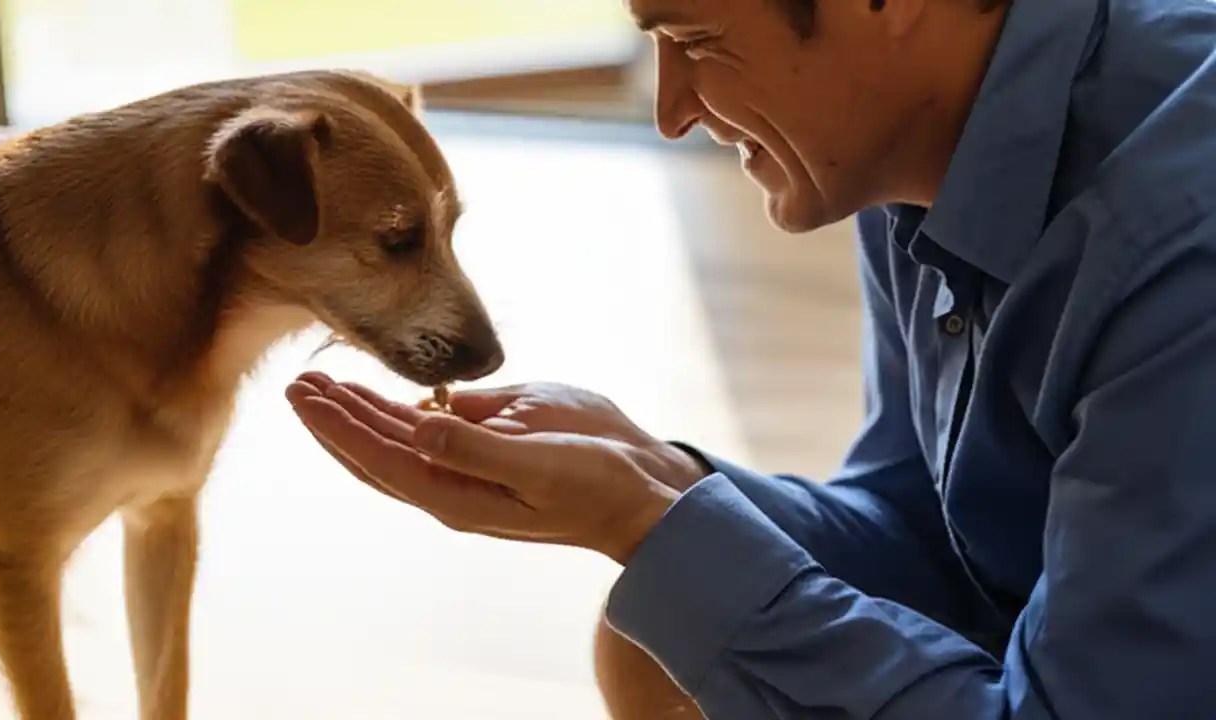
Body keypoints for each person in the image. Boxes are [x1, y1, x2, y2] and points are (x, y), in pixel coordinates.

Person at [285, 0, 1216, 717]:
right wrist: (658, 482)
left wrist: (654, 528)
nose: (672, 110)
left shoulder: (1177, 247)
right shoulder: (919, 148)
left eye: (696, 39)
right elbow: (938, 538)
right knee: (657, 627)